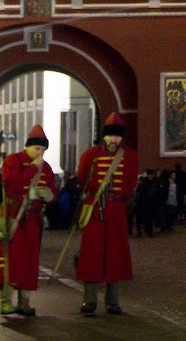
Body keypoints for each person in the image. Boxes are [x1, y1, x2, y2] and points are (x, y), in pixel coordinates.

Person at [0, 126, 57, 317]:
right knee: (9, 259)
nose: (40, 153)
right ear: (28, 147)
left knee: (28, 261)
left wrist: (49, 196)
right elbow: (12, 183)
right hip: (13, 216)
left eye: (43, 150)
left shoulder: (47, 168)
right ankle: (6, 301)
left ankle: (24, 302)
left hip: (33, 219)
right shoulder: (13, 161)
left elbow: (52, 190)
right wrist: (33, 168)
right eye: (37, 149)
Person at [75, 112, 140, 316]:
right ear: (104, 136)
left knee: (115, 255)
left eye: (117, 136)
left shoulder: (130, 156)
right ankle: (89, 300)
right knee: (92, 254)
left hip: (116, 210)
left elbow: (129, 184)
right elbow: (82, 179)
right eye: (111, 136)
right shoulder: (90, 155)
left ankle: (113, 301)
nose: (114, 140)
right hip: (95, 208)